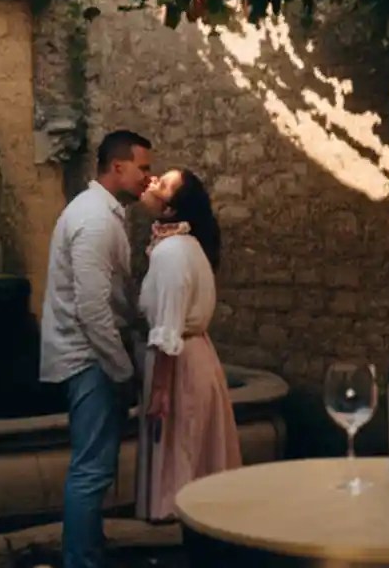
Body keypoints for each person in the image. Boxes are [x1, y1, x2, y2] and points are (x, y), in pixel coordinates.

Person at [39, 129, 153, 568]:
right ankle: (81, 561)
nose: (148, 176)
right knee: (90, 471)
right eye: (143, 167)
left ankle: (86, 552)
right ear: (118, 166)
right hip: (89, 359)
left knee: (94, 468)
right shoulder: (94, 219)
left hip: (90, 356)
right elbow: (92, 309)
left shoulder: (102, 213)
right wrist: (122, 370)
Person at [134, 168, 243, 523]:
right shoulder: (183, 246)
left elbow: (168, 328)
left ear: (169, 210)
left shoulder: (173, 253)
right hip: (195, 356)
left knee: (180, 459)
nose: (151, 182)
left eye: (162, 184)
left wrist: (161, 389)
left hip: (180, 366)